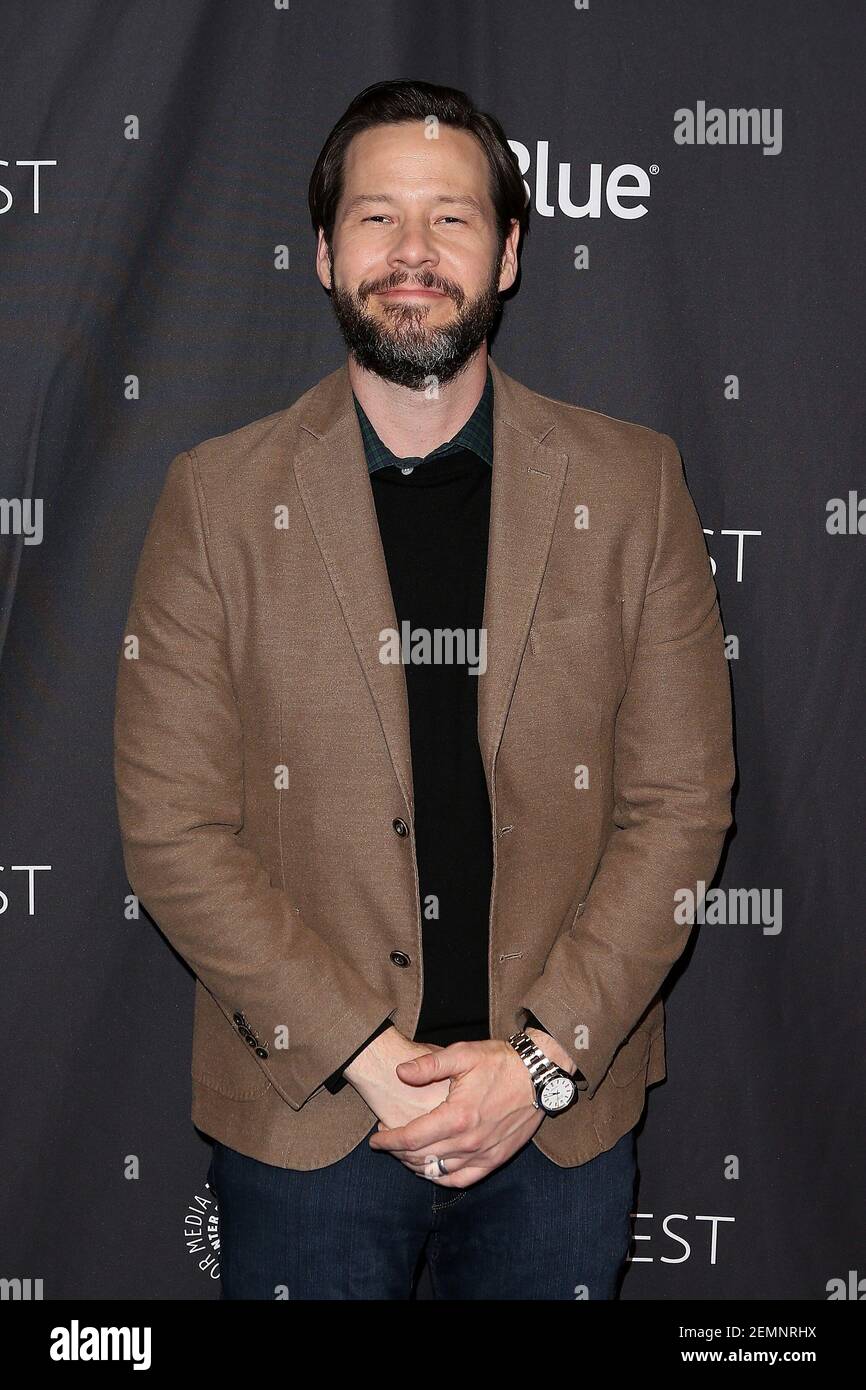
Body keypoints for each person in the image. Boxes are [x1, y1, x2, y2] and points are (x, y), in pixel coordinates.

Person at [113, 79, 735, 1300]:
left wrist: (538, 1060)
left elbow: (678, 804)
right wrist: (366, 1054)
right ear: (320, 254)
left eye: (449, 219)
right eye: (375, 219)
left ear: (507, 252)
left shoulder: (631, 484)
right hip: (311, 1122)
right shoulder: (217, 499)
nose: (410, 253)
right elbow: (173, 829)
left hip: (556, 1123)